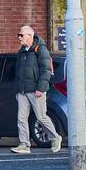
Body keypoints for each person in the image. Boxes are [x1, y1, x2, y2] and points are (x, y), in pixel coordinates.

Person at [13, 24, 61, 154]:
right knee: (21, 118)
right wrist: (17, 90)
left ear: (30, 35)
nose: (19, 38)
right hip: (23, 90)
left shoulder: (41, 49)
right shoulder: (22, 51)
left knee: (41, 117)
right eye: (19, 35)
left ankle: (55, 137)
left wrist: (41, 88)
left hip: (36, 90)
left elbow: (46, 70)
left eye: (21, 35)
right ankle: (24, 144)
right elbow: (18, 71)